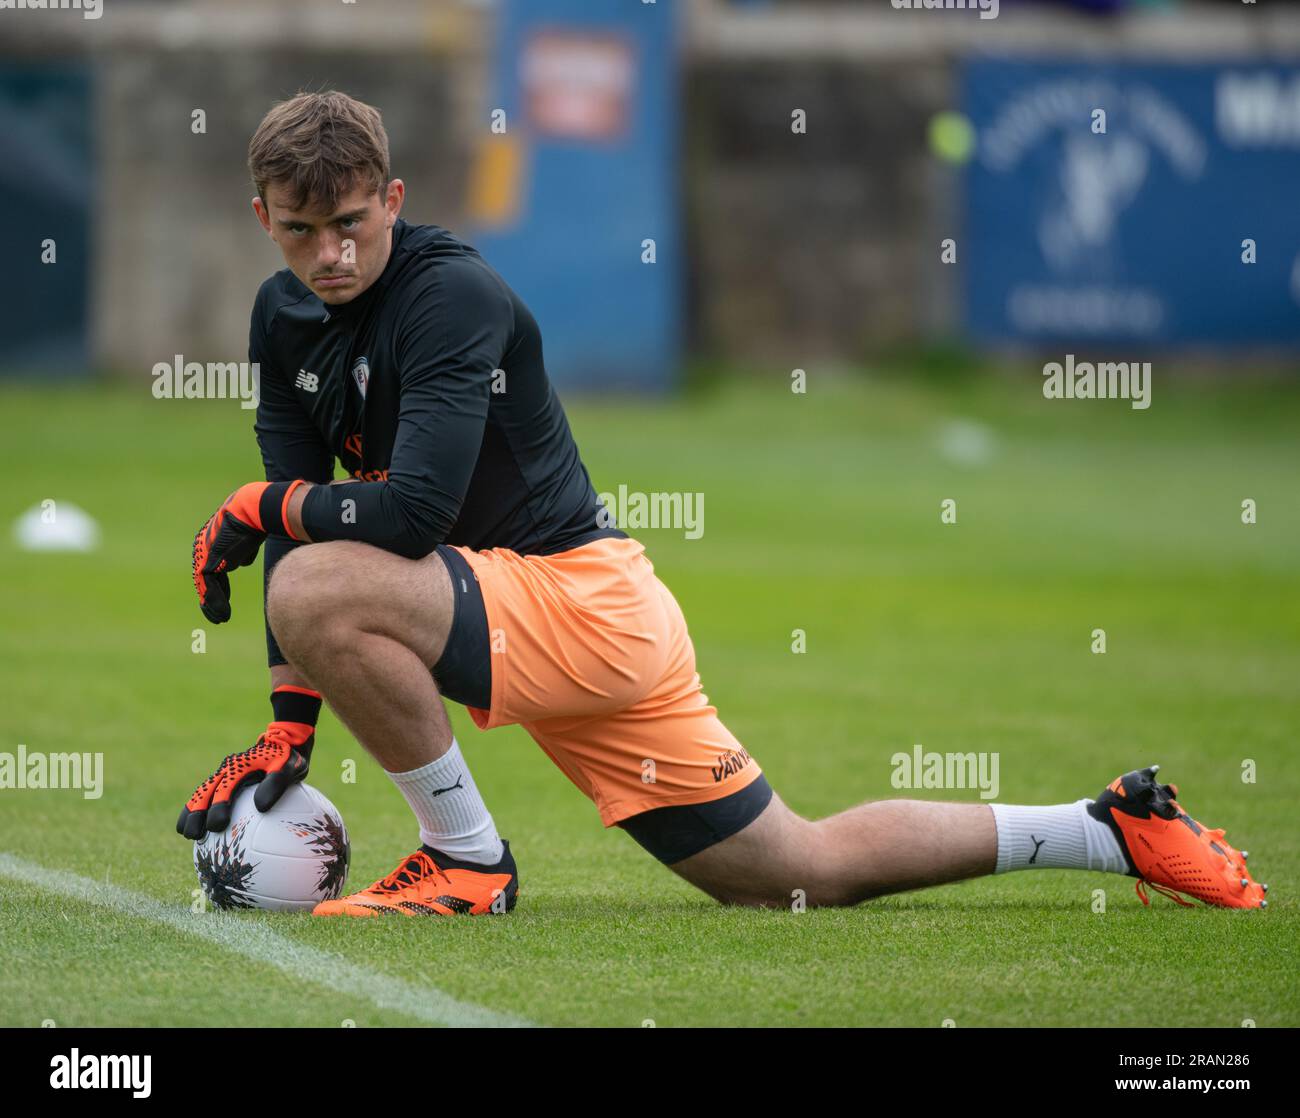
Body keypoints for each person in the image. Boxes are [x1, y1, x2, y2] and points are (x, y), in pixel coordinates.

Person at [178, 91, 1266, 917]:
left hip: (581, 604)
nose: (330, 254)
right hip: (523, 615)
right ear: (261, 216)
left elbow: (399, 518)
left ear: (395, 201)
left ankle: (465, 859)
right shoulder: (283, 320)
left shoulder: (449, 295)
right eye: (299, 231)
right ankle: (1104, 827)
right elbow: (300, 508)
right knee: (793, 871)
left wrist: (259, 504)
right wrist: (288, 724)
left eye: (353, 224)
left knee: (320, 567)